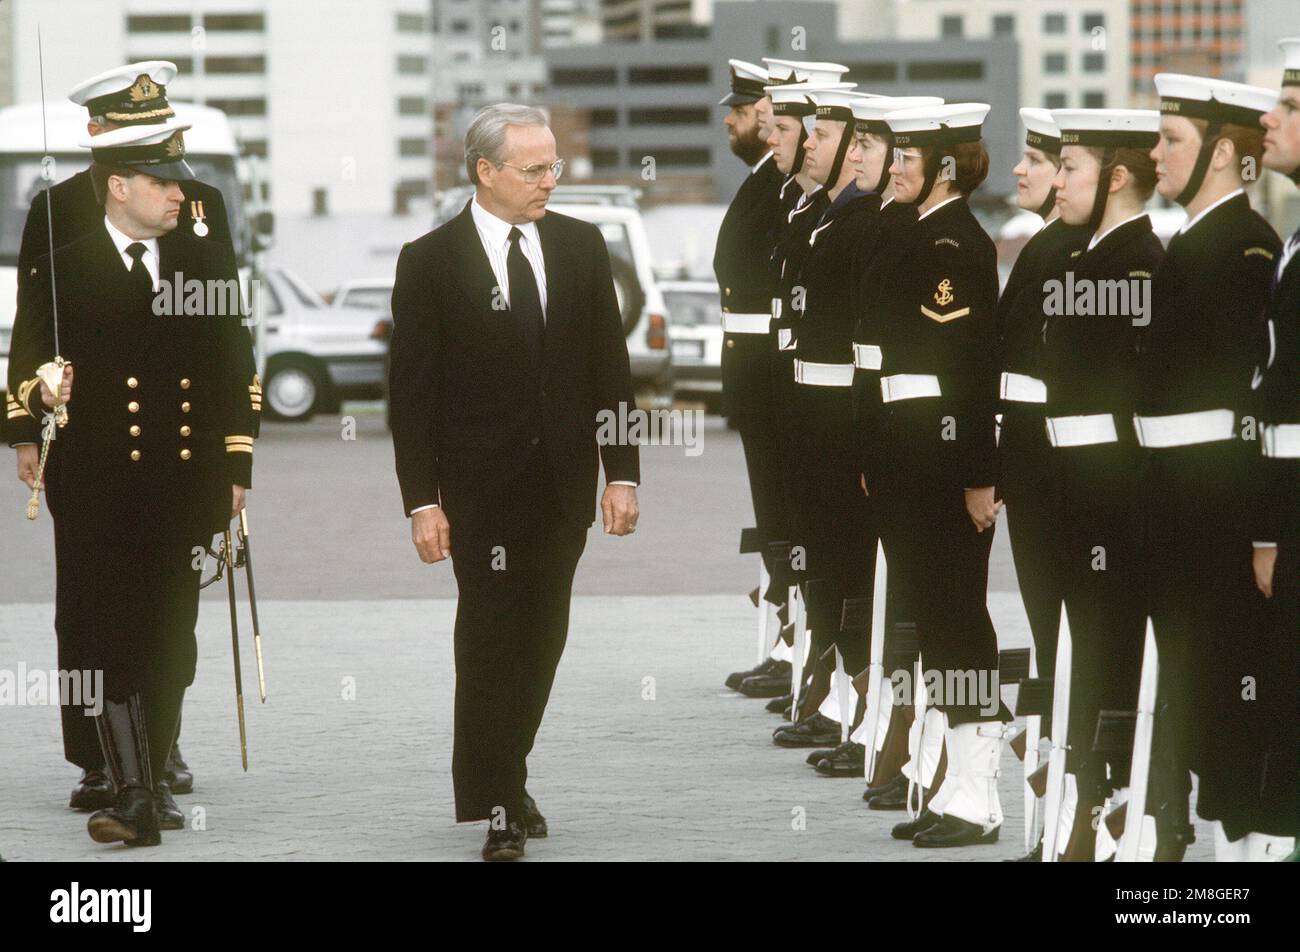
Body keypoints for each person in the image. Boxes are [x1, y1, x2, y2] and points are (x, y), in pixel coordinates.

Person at [387, 103, 640, 862]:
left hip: (561, 488)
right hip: (478, 494)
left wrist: (621, 473)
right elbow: (411, 396)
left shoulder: (580, 246)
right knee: (492, 639)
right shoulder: (429, 260)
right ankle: (497, 801)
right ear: (485, 171)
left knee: (542, 640)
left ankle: (510, 772)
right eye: (533, 169)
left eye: (554, 166)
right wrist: (421, 500)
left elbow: (611, 373)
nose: (548, 181)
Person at [7, 120, 256, 846]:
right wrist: (40, 397)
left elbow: (234, 368)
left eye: (178, 180)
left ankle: (147, 775)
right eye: (163, 182)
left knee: (171, 634)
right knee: (106, 628)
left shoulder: (201, 269)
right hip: (95, 480)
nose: (182, 194)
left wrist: (236, 468)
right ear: (120, 187)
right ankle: (132, 788)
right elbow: (27, 355)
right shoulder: (67, 265)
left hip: (185, 479)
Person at [1137, 73, 1282, 861]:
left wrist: (1257, 527)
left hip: (1216, 505)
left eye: (1173, 140)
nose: (1156, 153)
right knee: (1191, 679)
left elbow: (1255, 400)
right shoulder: (1196, 241)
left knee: (1227, 684)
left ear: (1223, 154)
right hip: (1175, 500)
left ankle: (1241, 852)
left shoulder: (1245, 245)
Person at [864, 102, 1012, 848]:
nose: (893, 167)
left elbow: (973, 373)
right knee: (936, 623)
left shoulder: (958, 244)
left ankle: (980, 794)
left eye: (907, 159)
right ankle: (953, 784)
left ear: (945, 168)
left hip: (945, 463)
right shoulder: (914, 230)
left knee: (959, 624)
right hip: (906, 459)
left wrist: (980, 477)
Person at [1040, 108, 1164, 861]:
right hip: (1078, 489)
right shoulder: (1094, 258)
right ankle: (1092, 808)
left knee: (1111, 650)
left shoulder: (1139, 262)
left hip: (1113, 497)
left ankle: (1123, 814)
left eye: (1072, 168)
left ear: (1116, 179)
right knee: (1087, 649)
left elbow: (1132, 393)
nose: (1057, 181)